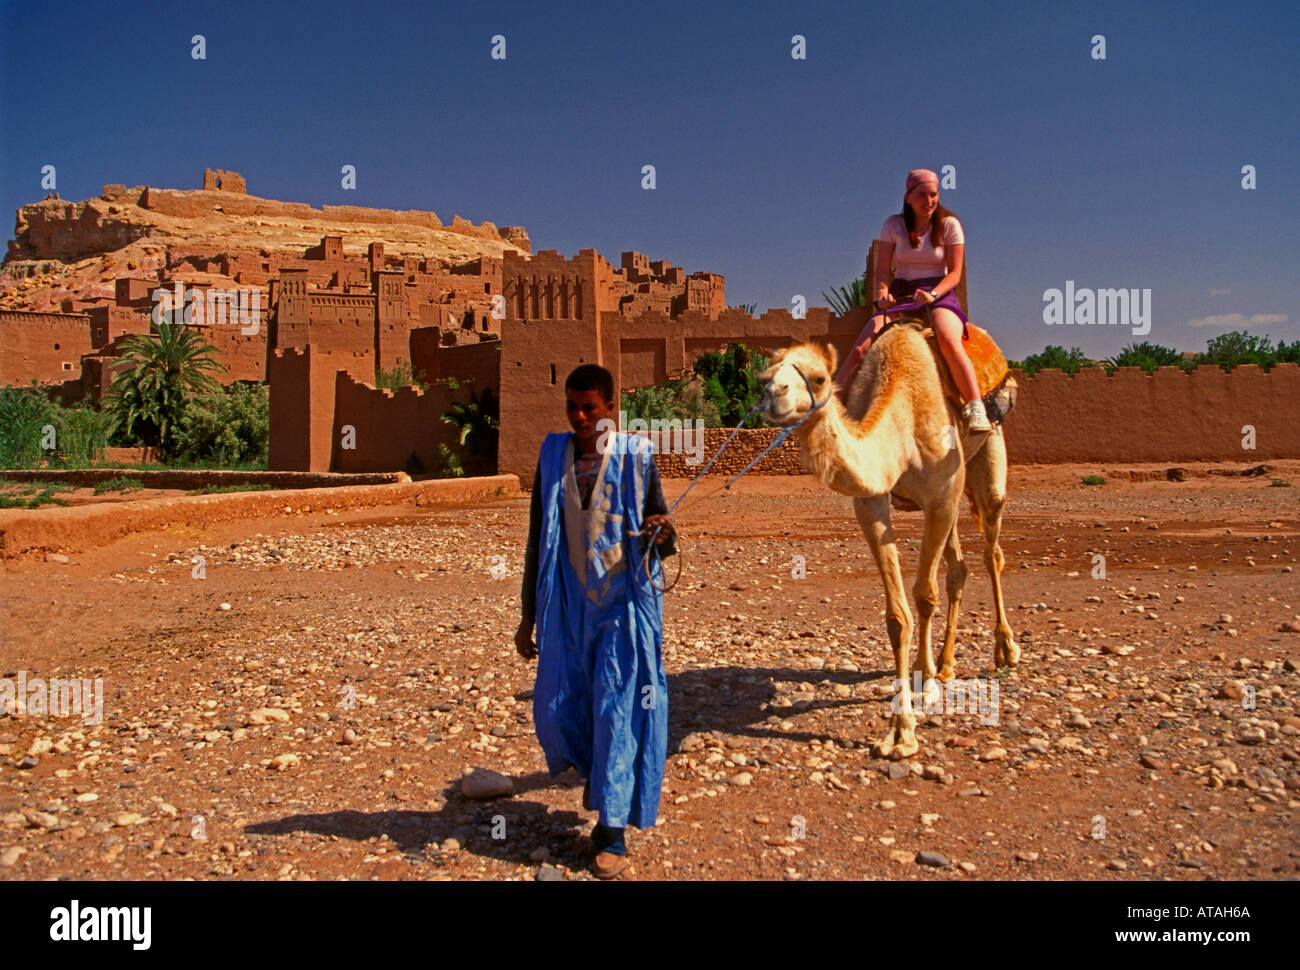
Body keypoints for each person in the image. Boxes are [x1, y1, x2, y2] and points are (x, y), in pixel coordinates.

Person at [514, 364, 676, 879]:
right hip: (566, 608)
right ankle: (596, 775)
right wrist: (526, 617)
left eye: (590, 407)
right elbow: (538, 539)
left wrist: (659, 531)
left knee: (615, 711)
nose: (580, 417)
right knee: (564, 707)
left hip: (621, 611)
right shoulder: (552, 455)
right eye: (573, 407)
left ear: (611, 406)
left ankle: (611, 830)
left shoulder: (636, 456)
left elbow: (663, 540)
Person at [834, 168, 993, 433]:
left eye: (933, 195)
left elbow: (954, 273)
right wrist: (883, 294)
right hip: (902, 293)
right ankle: (831, 405)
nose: (928, 201)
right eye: (921, 195)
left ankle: (975, 407)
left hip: (939, 292)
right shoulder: (893, 226)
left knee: (947, 338)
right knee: (862, 348)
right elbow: (883, 270)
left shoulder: (949, 225)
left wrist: (932, 294)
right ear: (908, 197)